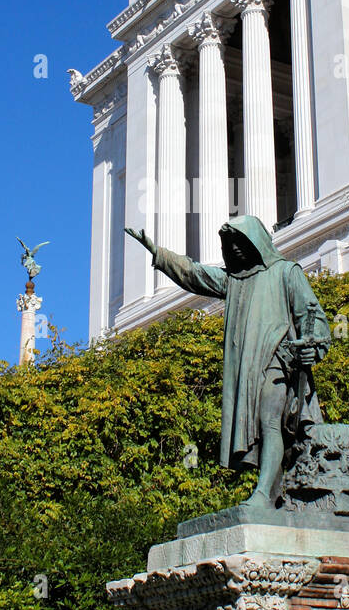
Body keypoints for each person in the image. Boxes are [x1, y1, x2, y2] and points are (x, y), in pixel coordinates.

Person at [125, 216, 331, 509]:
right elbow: (193, 274)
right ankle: (271, 492)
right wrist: (157, 252)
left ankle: (263, 493)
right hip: (246, 370)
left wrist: (315, 346)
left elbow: (313, 317)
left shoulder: (287, 272)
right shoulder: (234, 282)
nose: (234, 248)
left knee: (270, 420)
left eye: (240, 242)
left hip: (278, 360)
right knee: (264, 425)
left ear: (256, 242)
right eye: (229, 243)